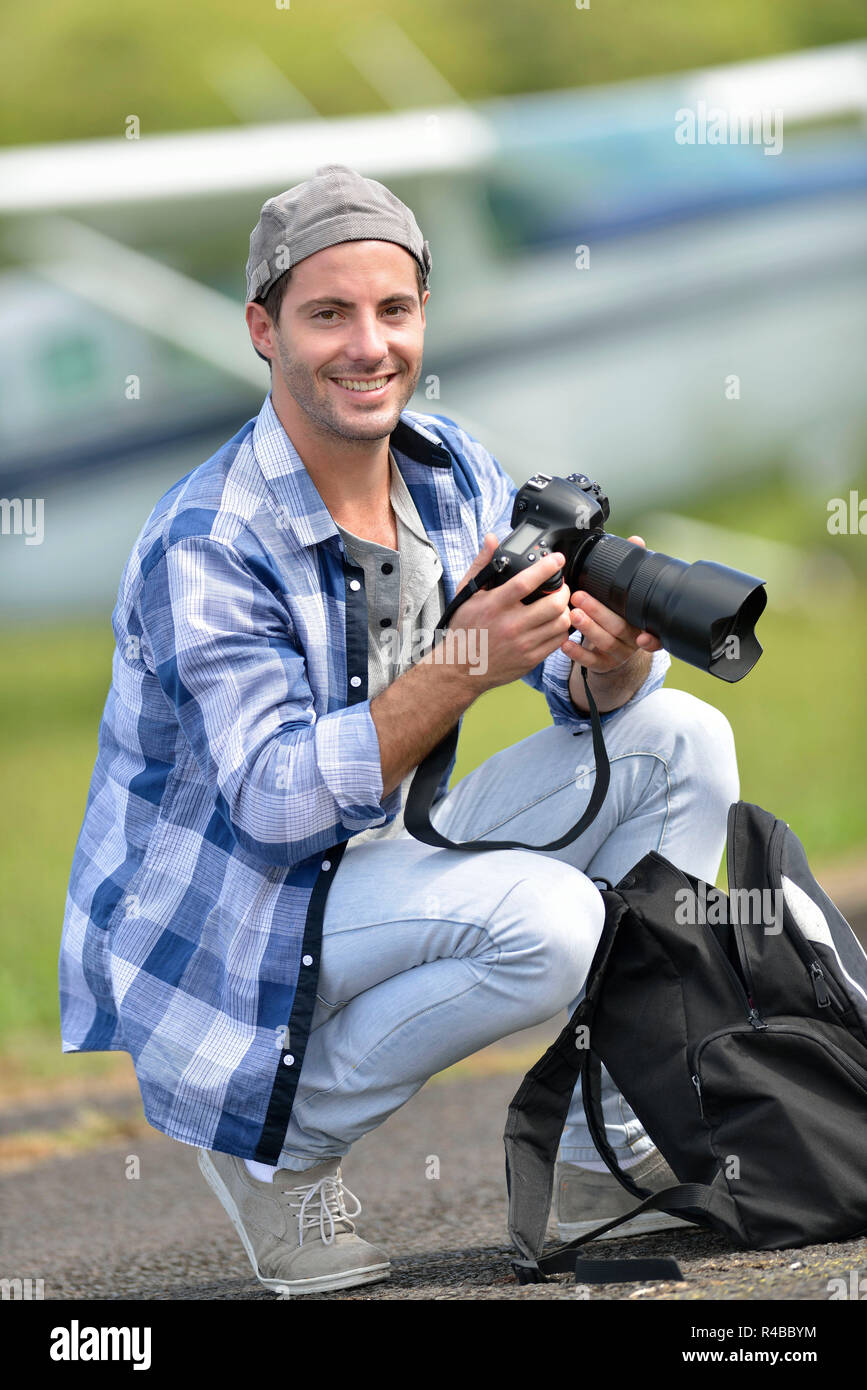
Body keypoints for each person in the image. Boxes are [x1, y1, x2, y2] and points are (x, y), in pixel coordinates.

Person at [58, 165, 739, 1297]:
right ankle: (275, 1148)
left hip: (376, 845)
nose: (368, 346)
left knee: (683, 740)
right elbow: (276, 810)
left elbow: (554, 686)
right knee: (551, 923)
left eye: (394, 310)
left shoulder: (450, 461)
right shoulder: (208, 540)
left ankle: (597, 1148)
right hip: (228, 914)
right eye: (328, 313)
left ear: (423, 315)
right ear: (262, 331)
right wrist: (470, 658)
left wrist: (609, 667)